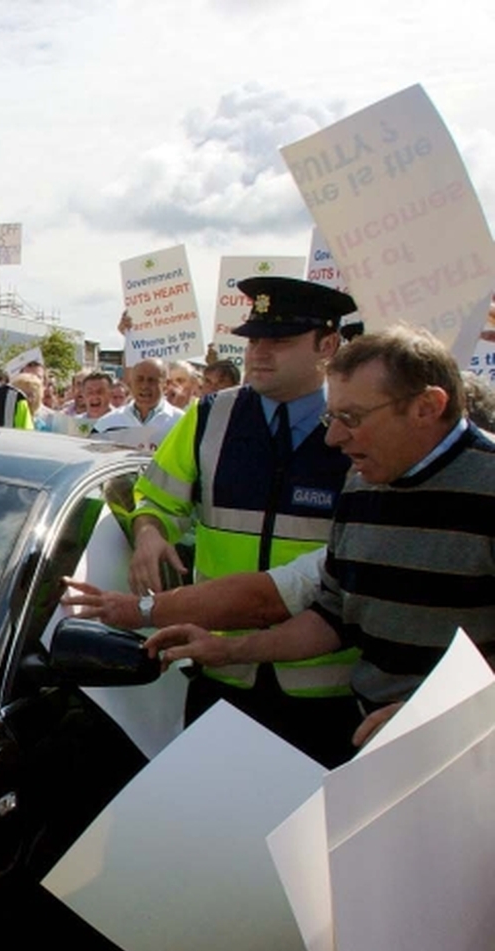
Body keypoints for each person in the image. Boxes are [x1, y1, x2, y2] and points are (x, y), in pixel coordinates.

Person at [148, 326, 495, 750]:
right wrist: (230, 650)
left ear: (427, 407)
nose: (332, 438)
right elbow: (333, 615)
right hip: (376, 745)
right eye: (332, 417)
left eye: (351, 418)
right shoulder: (361, 487)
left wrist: (447, 712)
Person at [127, 275, 360, 766]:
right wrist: (148, 533)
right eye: (253, 339)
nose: (258, 353)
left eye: (279, 341)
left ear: (328, 344)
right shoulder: (209, 415)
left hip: (330, 689)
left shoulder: (360, 421)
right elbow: (155, 500)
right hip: (221, 673)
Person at [93, 357, 181, 443]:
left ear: (166, 384)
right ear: (130, 383)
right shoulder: (107, 423)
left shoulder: (180, 422)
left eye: (151, 380)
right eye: (139, 379)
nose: (144, 386)